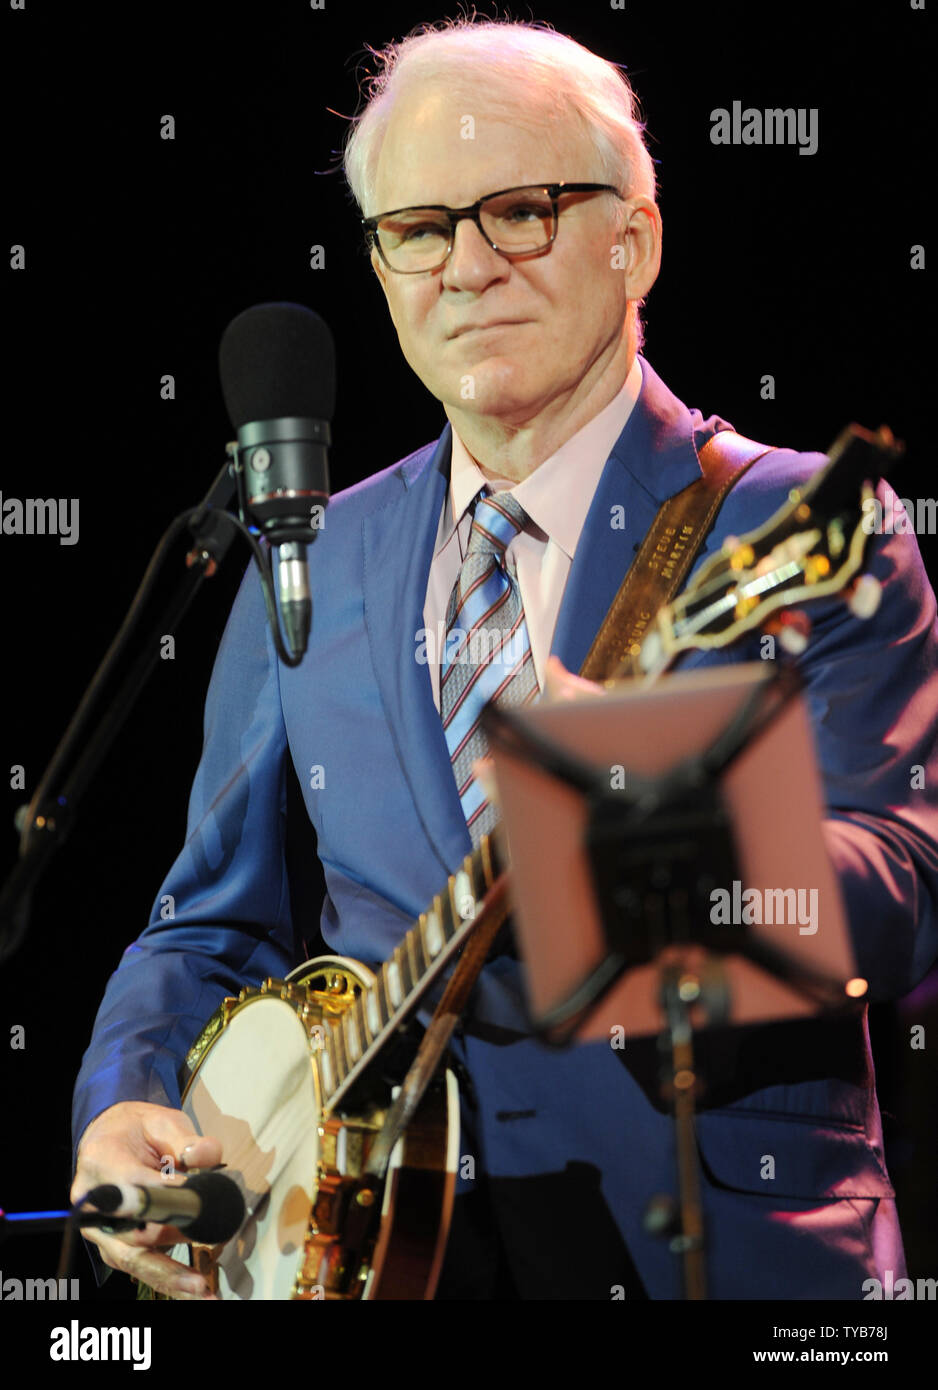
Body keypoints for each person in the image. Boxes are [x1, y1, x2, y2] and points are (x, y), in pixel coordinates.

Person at [70, 17, 938, 1300]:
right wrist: (125, 1100)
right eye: (418, 229)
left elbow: (905, 888)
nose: (465, 267)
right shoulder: (308, 555)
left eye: (519, 210)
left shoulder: (796, 523)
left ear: (631, 240)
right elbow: (205, 922)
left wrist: (661, 825)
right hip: (382, 1259)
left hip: (719, 1259)